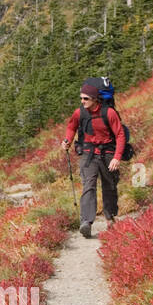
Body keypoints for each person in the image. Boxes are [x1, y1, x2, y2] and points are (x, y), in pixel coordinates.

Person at [61, 82, 124, 238]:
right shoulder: (79, 113)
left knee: (109, 185)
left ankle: (110, 217)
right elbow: (71, 127)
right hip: (88, 153)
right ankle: (86, 222)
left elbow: (120, 135)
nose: (82, 101)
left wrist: (117, 157)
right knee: (88, 185)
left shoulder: (109, 113)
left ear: (95, 99)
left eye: (86, 98)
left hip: (108, 152)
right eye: (81, 98)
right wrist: (67, 140)